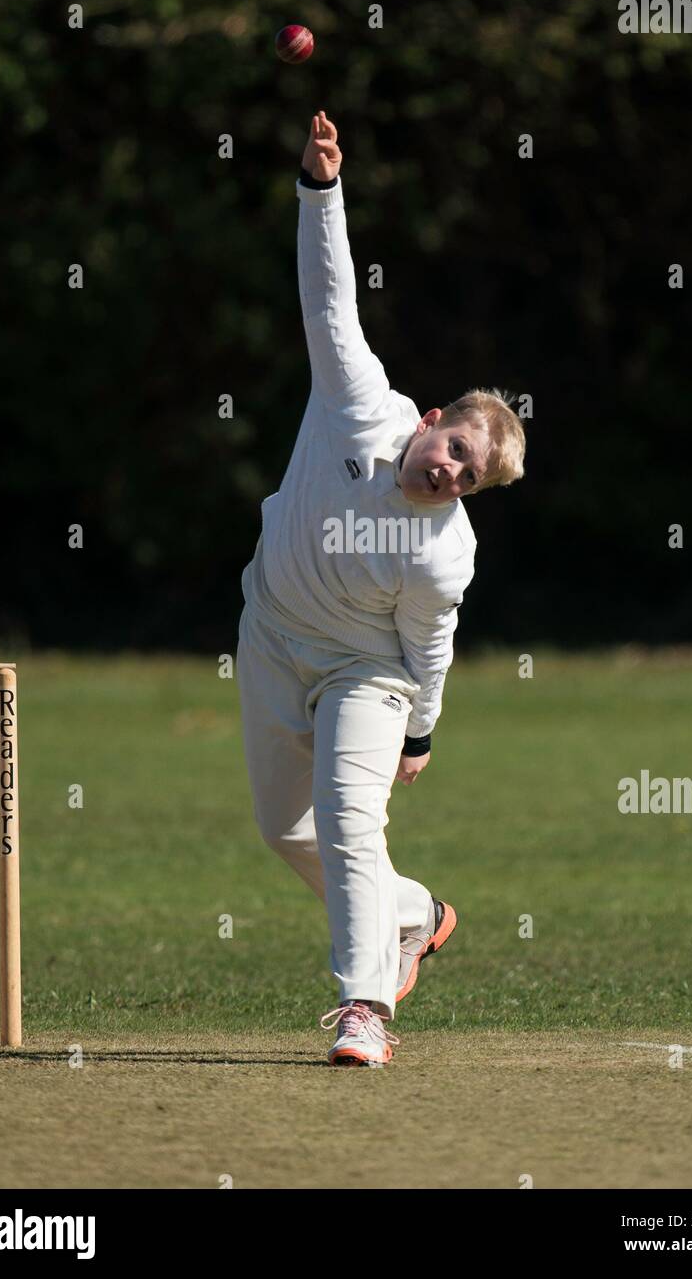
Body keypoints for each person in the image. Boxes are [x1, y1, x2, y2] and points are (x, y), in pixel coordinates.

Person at [236, 111, 526, 1066]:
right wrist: (322, 188)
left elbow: (428, 646)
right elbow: (328, 298)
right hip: (273, 630)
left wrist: (420, 731)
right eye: (454, 451)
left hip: (367, 669)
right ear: (433, 420)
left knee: (351, 820)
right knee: (286, 831)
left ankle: (364, 1008)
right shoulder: (358, 398)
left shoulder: (445, 551)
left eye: (469, 476)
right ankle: (415, 914)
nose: (450, 473)